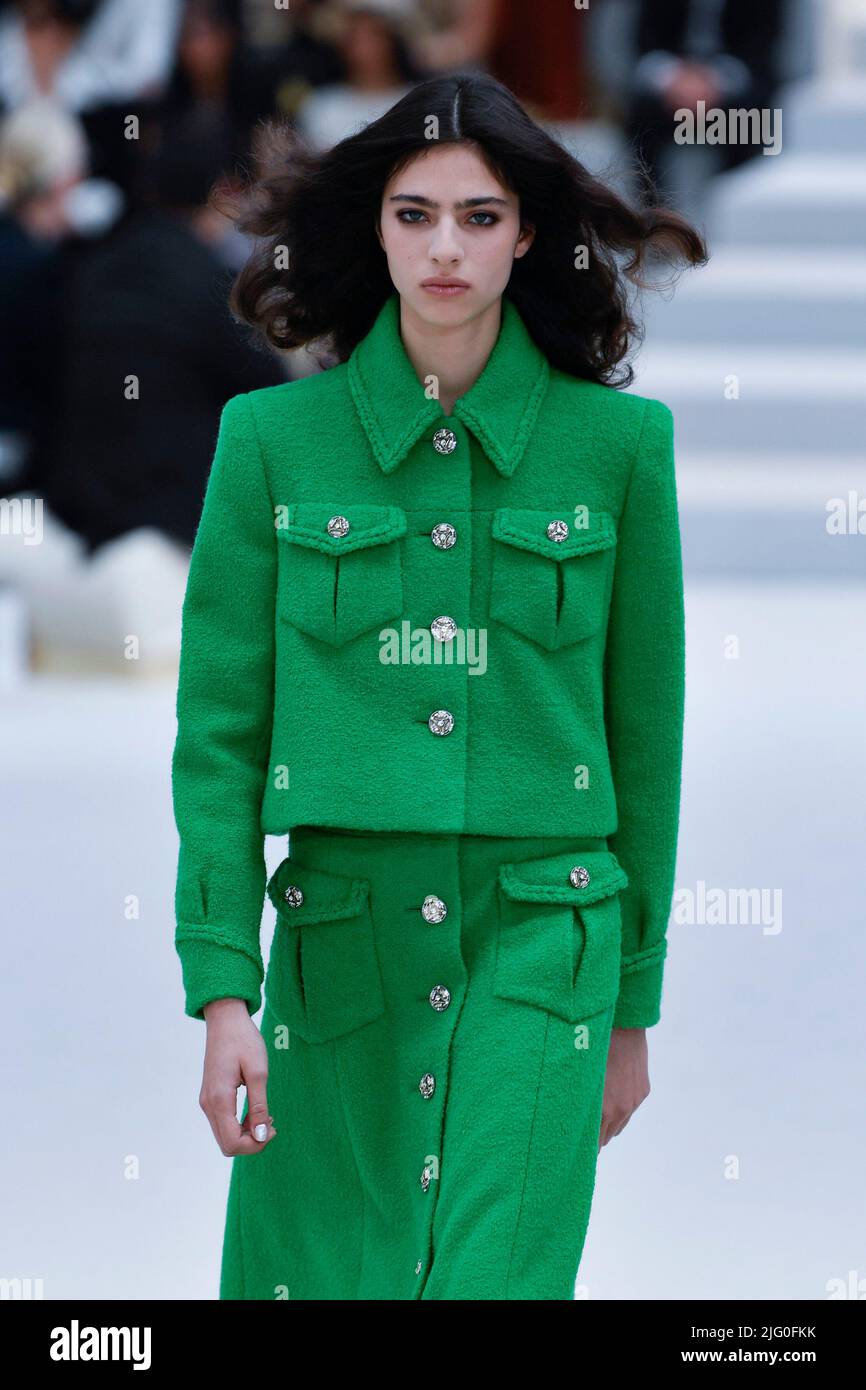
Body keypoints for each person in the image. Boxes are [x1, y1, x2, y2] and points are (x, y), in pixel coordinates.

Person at [171, 70, 706, 1301]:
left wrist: (631, 1004)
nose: (445, 247)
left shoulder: (620, 450)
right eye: (414, 214)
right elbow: (219, 738)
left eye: (478, 214)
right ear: (374, 228)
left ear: (526, 232)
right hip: (337, 958)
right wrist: (220, 989)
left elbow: (647, 735)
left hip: (544, 945)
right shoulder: (270, 445)